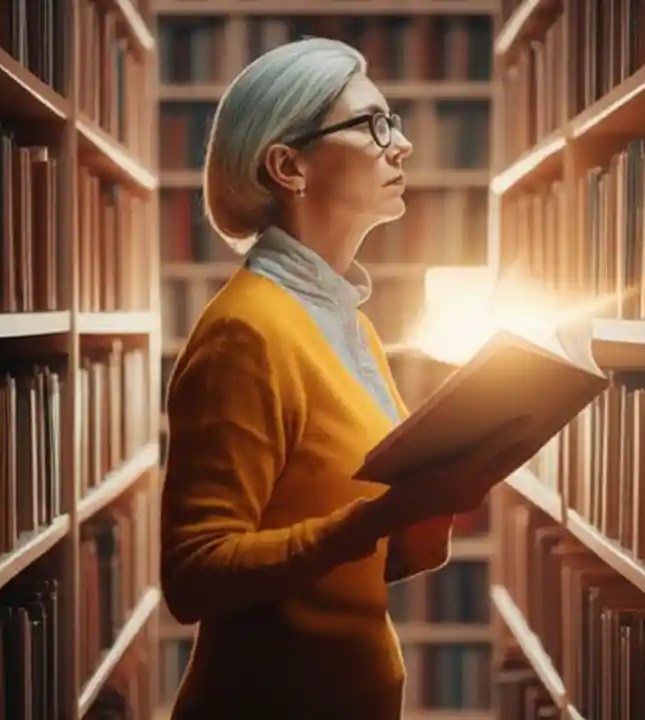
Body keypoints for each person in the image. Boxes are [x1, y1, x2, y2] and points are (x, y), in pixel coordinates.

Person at [160, 37, 536, 719]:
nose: (403, 145)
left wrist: (446, 491)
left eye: (393, 121)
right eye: (373, 124)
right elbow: (194, 576)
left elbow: (356, 563)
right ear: (288, 166)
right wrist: (381, 516)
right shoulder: (244, 334)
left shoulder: (350, 323)